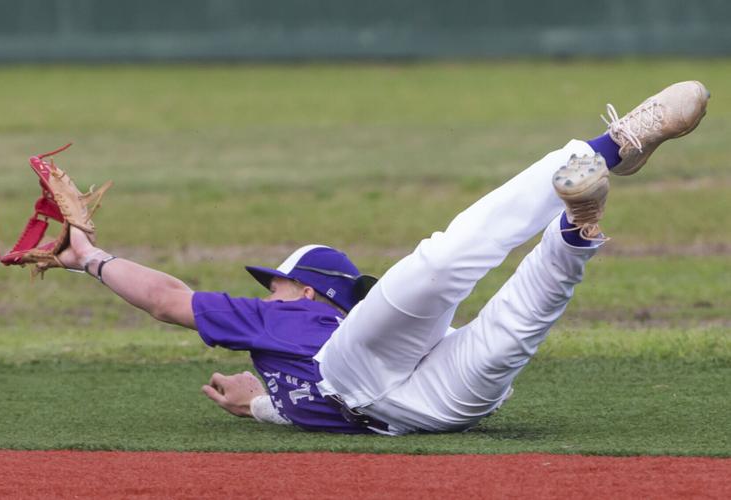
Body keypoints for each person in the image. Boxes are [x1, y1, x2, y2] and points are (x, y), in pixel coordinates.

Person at [58, 81, 709, 435]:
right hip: (421, 410)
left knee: (438, 264)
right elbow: (299, 406)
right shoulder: (280, 371)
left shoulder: (287, 324)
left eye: (278, 284)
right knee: (511, 331)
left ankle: (611, 144)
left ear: (309, 290)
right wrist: (256, 403)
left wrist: (89, 257)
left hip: (364, 360)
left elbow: (166, 299)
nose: (268, 294)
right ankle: (576, 227)